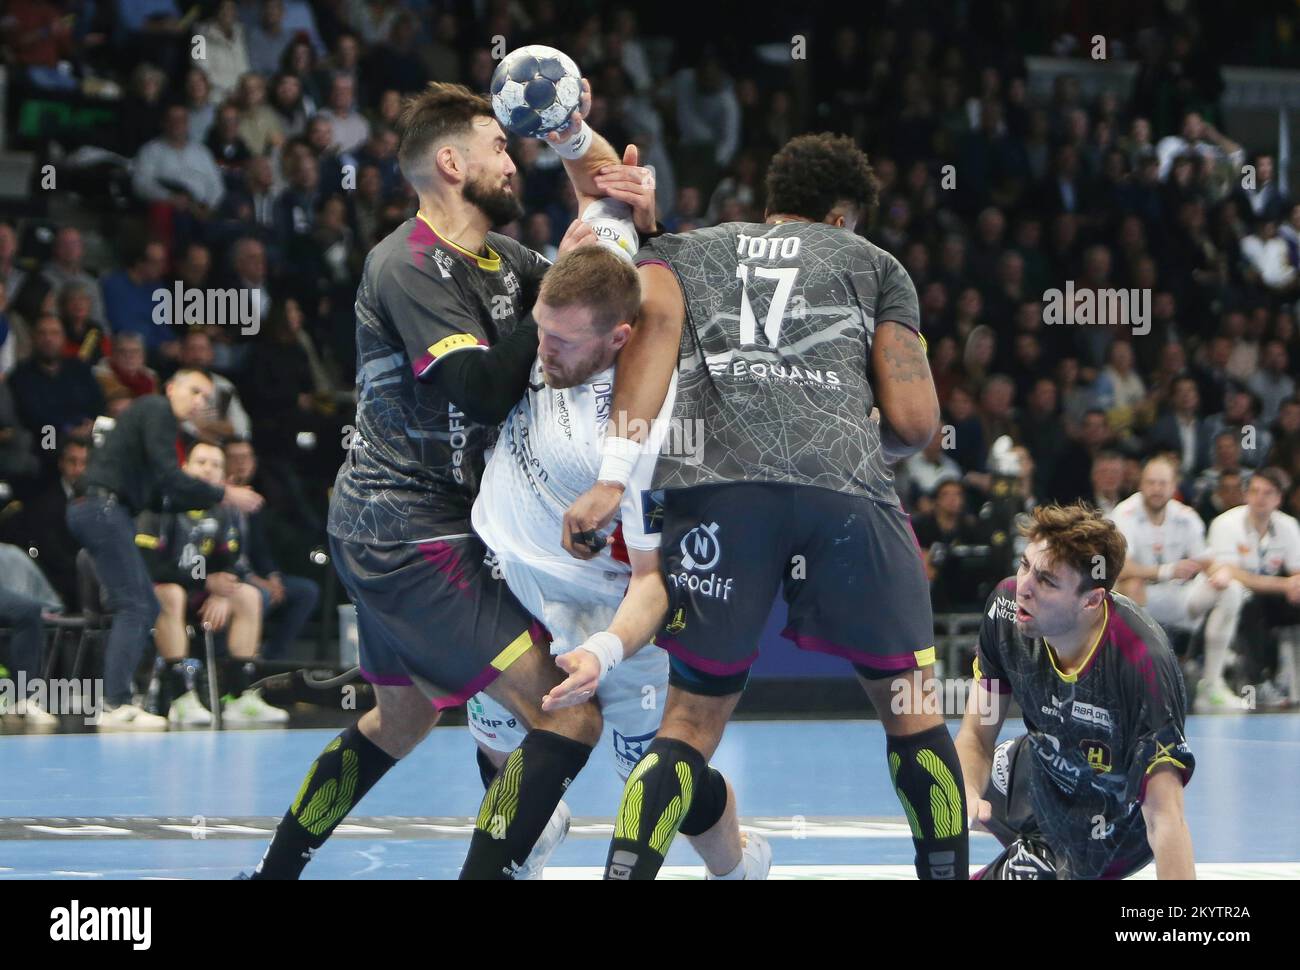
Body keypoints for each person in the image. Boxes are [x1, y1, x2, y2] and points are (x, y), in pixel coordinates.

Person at [246, 79, 629, 880]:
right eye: (499, 147)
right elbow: (481, 390)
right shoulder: (408, 263)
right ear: (451, 163)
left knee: (400, 719)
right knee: (568, 715)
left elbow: (589, 280)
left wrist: (598, 170)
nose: (512, 163)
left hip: (424, 525)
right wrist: (551, 307)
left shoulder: (506, 261)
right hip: (407, 529)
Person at [564, 132, 967, 880]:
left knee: (688, 723)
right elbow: (915, 425)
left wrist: (614, 479)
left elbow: (639, 339)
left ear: (773, 202)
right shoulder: (876, 264)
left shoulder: (683, 252)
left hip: (718, 491)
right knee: (913, 707)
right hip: (845, 487)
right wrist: (848, 436)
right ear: (842, 219)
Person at [468, 245, 768, 879]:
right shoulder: (570, 317)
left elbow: (653, 579)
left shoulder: (652, 437)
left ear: (618, 339)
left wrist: (604, 651)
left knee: (658, 780)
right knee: (496, 730)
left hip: (614, 615)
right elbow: (609, 202)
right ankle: (537, 822)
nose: (543, 351)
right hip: (513, 581)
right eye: (541, 332)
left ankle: (739, 865)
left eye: (563, 342)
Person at [955, 503, 1196, 879]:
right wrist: (966, 791)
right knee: (946, 779)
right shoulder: (1005, 610)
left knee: (1035, 871)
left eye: (1047, 581)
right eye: (1024, 565)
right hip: (1042, 770)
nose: (1024, 588)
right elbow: (976, 736)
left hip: (1109, 822)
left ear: (1092, 600)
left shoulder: (1142, 664)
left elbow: (1166, 818)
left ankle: (1050, 863)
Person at [66, 371, 263, 730]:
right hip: (102, 509)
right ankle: (115, 704)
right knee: (135, 605)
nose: (200, 401)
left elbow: (159, 494)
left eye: (206, 396)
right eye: (194, 391)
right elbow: (169, 476)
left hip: (106, 510)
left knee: (145, 605)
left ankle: (118, 701)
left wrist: (213, 497)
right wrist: (224, 492)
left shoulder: (154, 426)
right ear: (171, 388)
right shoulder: (156, 408)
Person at [137, 441, 287, 726]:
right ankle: (182, 699)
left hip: (200, 594)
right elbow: (149, 567)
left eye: (215, 465)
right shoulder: (159, 506)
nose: (208, 469)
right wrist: (206, 582)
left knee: (248, 596)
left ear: (222, 476)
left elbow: (230, 562)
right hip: (158, 591)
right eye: (201, 462)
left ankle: (239, 697)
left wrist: (222, 594)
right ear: (184, 468)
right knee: (172, 594)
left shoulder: (221, 512)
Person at [1109, 454, 1245, 713]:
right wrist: (1166, 571)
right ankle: (1132, 687)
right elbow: (1120, 567)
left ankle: (1211, 686)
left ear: (1174, 486)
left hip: (1180, 598)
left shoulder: (1186, 516)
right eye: (1151, 482)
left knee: (1231, 590)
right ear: (1141, 484)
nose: (1156, 489)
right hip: (1141, 600)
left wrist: (1220, 573)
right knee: (1129, 586)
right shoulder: (1124, 513)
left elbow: (1207, 561)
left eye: (1163, 483)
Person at [1206, 467, 1300, 709]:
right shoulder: (1226, 523)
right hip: (1233, 597)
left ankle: (1291, 679)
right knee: (1249, 603)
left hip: (1273, 595)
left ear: (1279, 499)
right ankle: (1256, 682)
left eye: (1268, 493)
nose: (1260, 498)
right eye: (1255, 491)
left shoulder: (1288, 526)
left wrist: (1295, 586)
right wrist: (1284, 584)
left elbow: (1296, 572)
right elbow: (1230, 572)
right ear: (1246, 494)